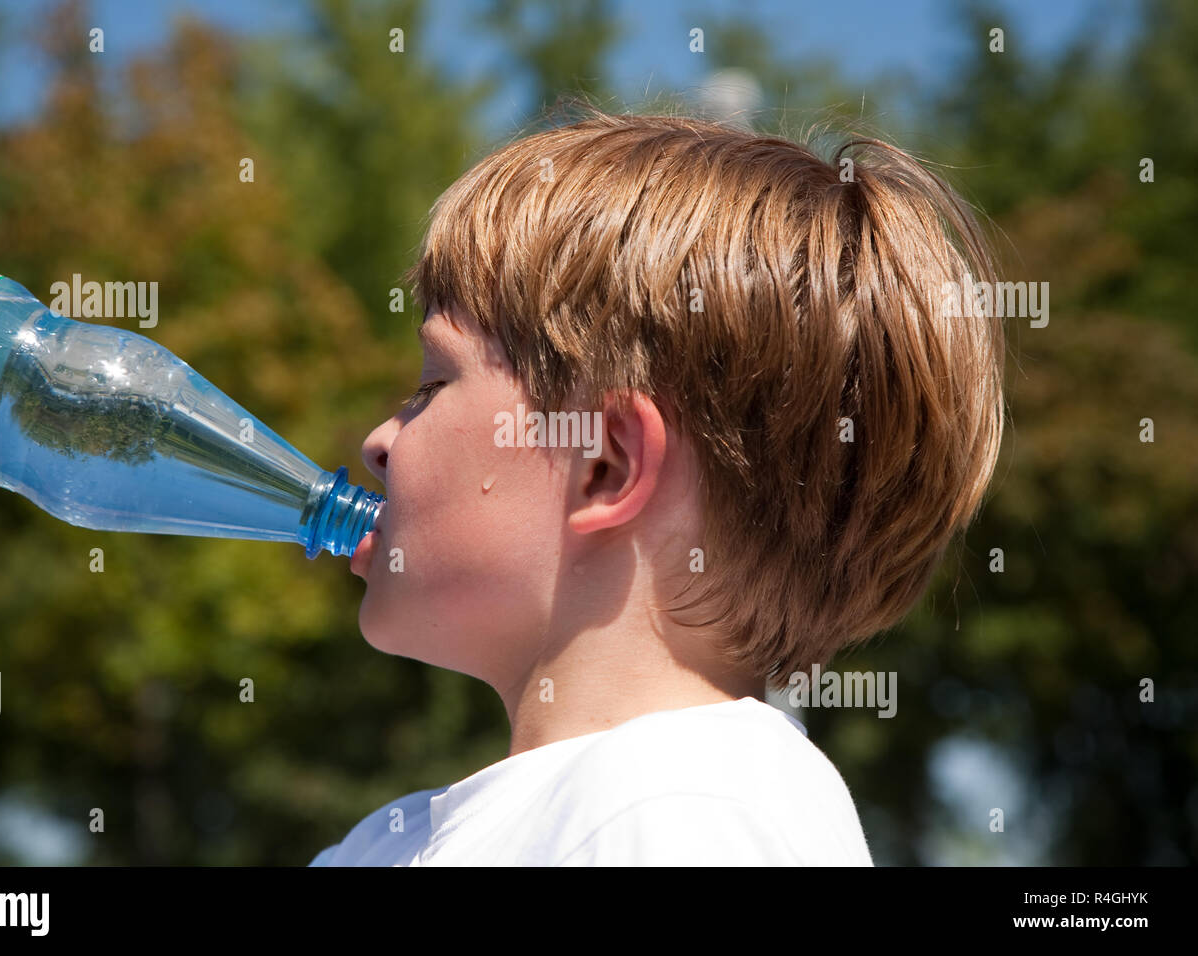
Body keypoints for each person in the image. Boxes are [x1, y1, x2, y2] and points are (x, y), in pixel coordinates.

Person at [308, 106, 1005, 865]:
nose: (379, 443)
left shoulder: (685, 810)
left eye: (432, 383)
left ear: (604, 465)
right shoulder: (391, 844)